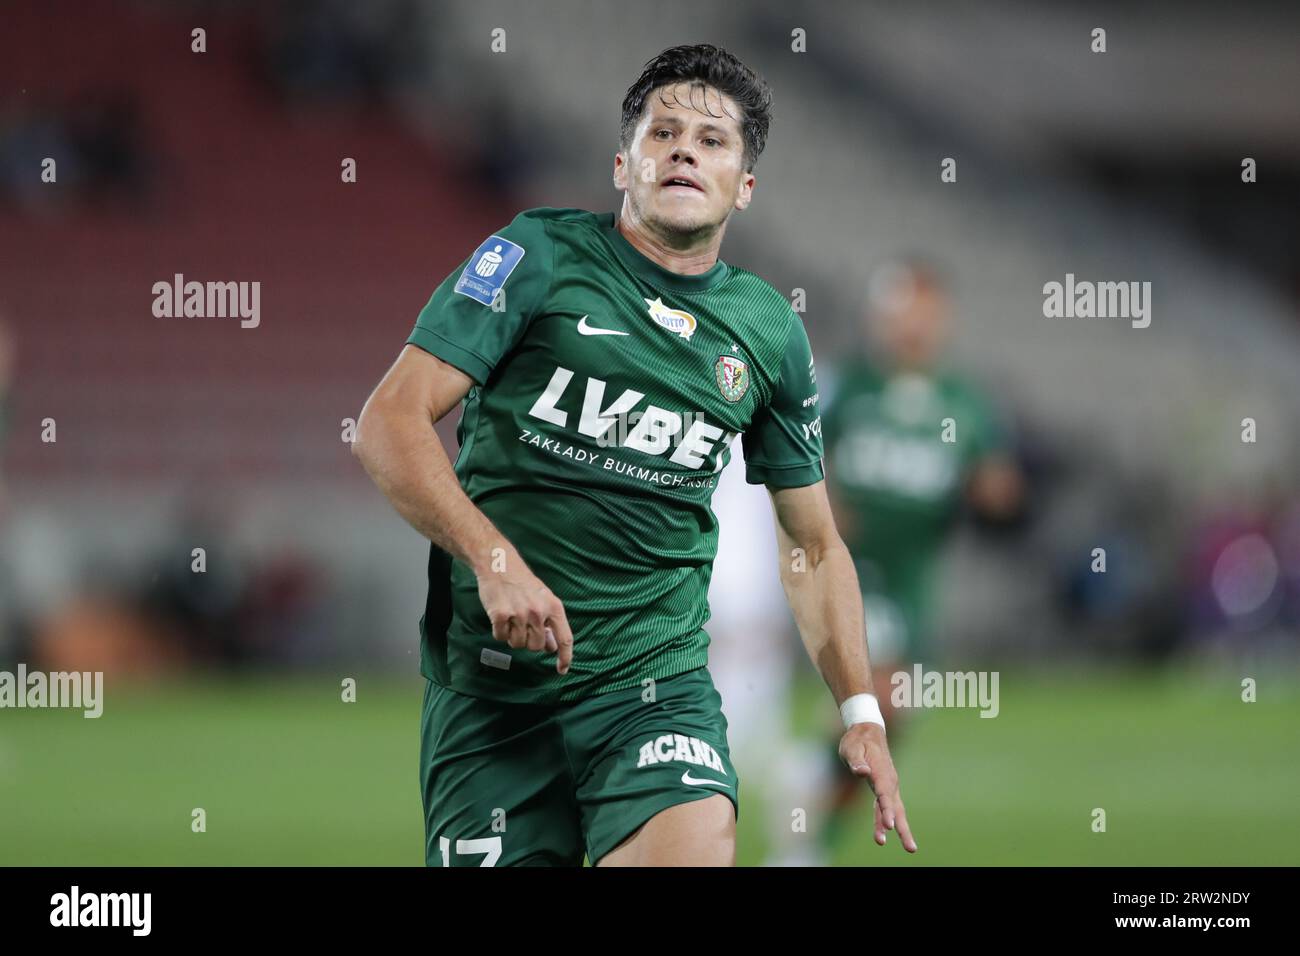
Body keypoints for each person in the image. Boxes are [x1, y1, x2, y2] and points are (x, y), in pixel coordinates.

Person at [353, 44, 915, 866]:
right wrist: (493, 556)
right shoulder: (536, 258)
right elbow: (388, 421)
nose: (686, 149)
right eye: (664, 133)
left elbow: (812, 542)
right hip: (491, 696)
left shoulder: (767, 332)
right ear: (624, 163)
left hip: (656, 690)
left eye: (714, 140)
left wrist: (859, 713)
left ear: (744, 186)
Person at [814, 258, 1024, 858]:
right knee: (878, 703)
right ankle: (804, 844)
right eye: (902, 313)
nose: (912, 327)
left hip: (916, 577)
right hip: (854, 569)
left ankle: (813, 799)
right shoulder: (849, 384)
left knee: (893, 717)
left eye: (924, 314)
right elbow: (805, 454)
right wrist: (823, 512)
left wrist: (995, 489)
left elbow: (999, 486)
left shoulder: (964, 399)